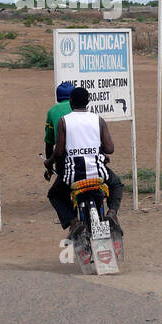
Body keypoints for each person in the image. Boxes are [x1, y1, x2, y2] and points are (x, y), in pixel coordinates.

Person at [45, 86, 123, 239]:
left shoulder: (64, 122)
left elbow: (59, 151)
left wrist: (49, 162)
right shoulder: (98, 120)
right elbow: (110, 148)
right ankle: (112, 213)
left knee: (54, 195)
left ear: (71, 102)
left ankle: (74, 222)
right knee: (117, 184)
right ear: (88, 102)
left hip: (73, 175)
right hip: (98, 172)